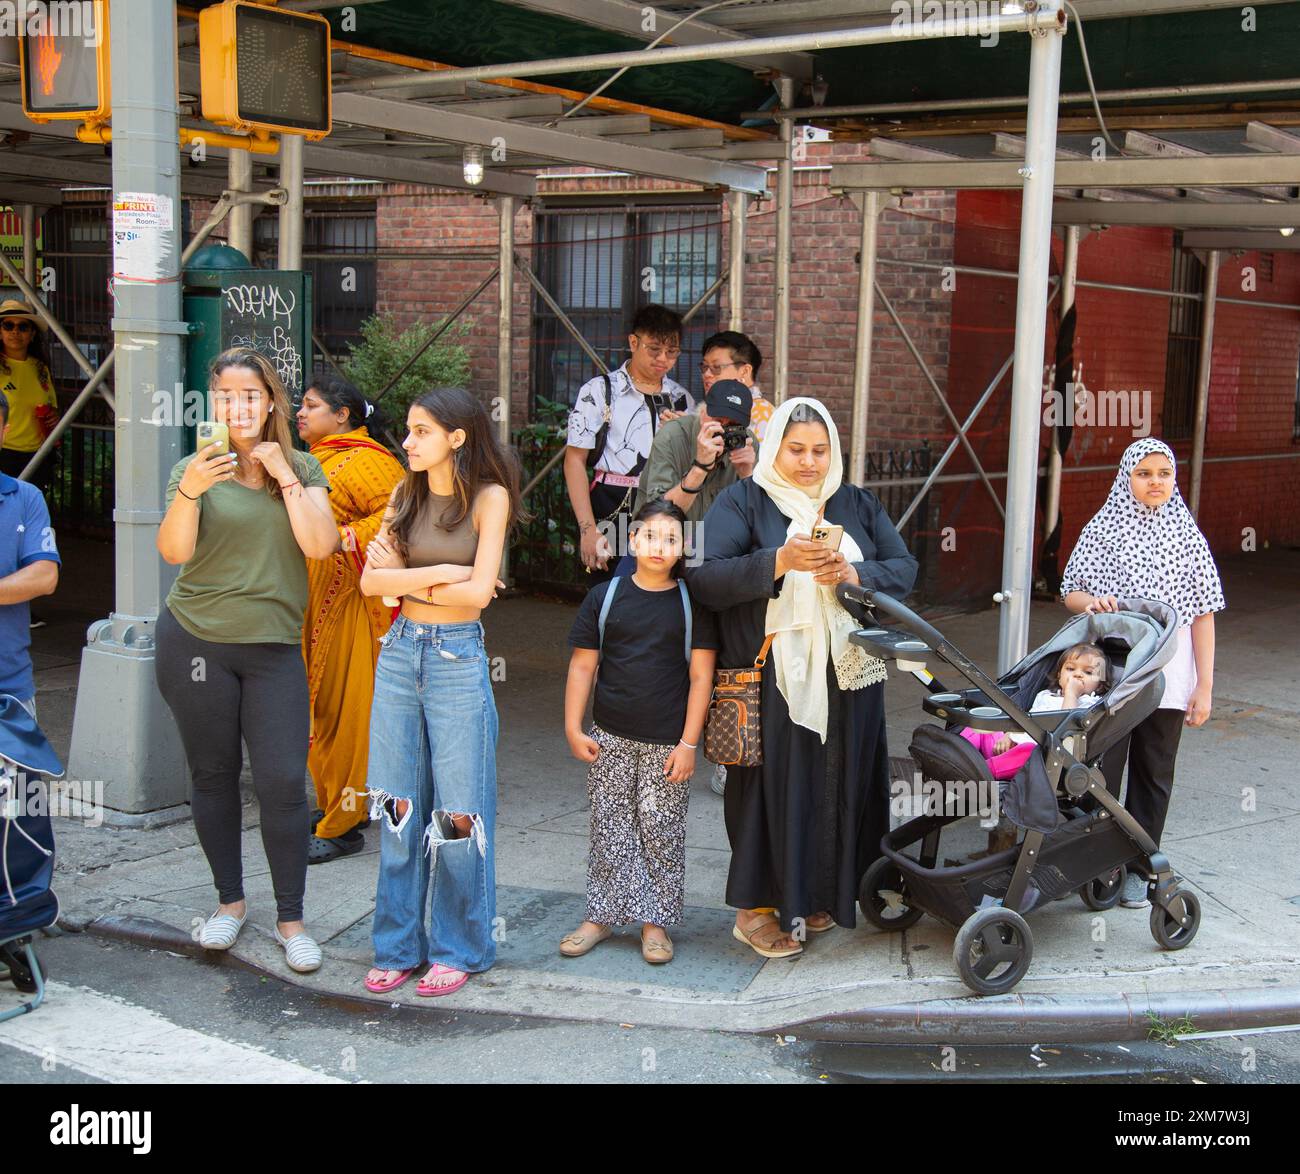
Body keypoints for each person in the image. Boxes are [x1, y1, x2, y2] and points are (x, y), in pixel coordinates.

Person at [685, 397, 917, 958]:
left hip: (850, 672)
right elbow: (705, 579)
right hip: (774, 680)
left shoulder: (856, 503)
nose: (809, 462)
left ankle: (816, 895)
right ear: (774, 449)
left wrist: (856, 572)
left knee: (839, 781)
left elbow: (905, 569)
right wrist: (779, 562)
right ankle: (755, 910)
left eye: (819, 450)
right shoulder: (744, 501)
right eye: (796, 450)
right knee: (771, 790)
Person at [155, 348, 339, 974]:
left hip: (273, 650)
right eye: (227, 396)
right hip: (195, 641)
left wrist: (282, 474)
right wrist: (190, 490)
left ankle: (292, 921)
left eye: (250, 395)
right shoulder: (195, 467)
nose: (238, 407)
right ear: (215, 402)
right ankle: (229, 905)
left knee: (285, 781)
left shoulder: (306, 466)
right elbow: (175, 551)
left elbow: (321, 546)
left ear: (270, 403)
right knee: (213, 776)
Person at [359, 387, 522, 998]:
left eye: (420, 431)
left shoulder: (490, 497)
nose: (407, 441)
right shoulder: (405, 493)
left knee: (458, 814)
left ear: (456, 436)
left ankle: (459, 947)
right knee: (398, 807)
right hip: (400, 651)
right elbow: (373, 584)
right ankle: (397, 946)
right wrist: (437, 574)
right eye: (408, 430)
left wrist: (411, 581)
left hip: (457, 658)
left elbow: (479, 596)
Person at [1061, 438, 1224, 909]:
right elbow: (1071, 591)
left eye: (1164, 474)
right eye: (1144, 474)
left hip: (1171, 675)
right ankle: (1100, 866)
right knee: (1103, 770)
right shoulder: (1104, 529)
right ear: (1125, 478)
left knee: (1155, 772)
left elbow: (1205, 615)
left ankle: (1139, 867)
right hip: (1114, 670)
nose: (1155, 483)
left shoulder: (1187, 536)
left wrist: (1204, 686)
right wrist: (1092, 603)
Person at [561, 499, 717, 965]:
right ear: (633, 540)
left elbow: (701, 678)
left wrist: (690, 744)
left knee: (661, 831)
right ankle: (602, 915)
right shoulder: (605, 597)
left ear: (684, 548)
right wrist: (573, 727)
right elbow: (583, 666)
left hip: (668, 744)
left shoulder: (693, 604)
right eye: (650, 536)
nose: (658, 546)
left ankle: (655, 923)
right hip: (609, 734)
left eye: (671, 539)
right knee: (609, 827)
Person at [296, 373, 404, 865]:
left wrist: (342, 538)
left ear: (343, 416)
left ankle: (344, 821)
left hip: (354, 604)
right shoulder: (317, 459)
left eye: (312, 405)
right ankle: (332, 803)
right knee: (322, 708)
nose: (301, 412)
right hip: (316, 598)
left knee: (347, 711)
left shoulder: (366, 460)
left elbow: (398, 511)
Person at [563, 304, 693, 581]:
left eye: (672, 352)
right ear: (634, 342)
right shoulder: (599, 390)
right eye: (654, 349)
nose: (663, 359)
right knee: (606, 589)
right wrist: (588, 529)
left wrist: (679, 435)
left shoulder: (681, 399)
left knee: (664, 588)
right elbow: (574, 460)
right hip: (611, 501)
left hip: (666, 501)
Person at [959, 642, 1109, 781]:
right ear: (1059, 675)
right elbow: (1026, 720)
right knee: (980, 725)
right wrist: (1009, 735)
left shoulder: (1089, 704)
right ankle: (957, 756)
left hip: (1038, 757)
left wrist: (1072, 693)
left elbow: (1067, 725)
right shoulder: (1045, 695)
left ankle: (978, 772)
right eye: (1070, 669)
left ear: (1100, 685)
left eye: (1088, 672)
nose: (1077, 675)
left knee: (1030, 752)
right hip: (1008, 744)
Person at [0, 390, 59, 714]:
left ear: (5, 431)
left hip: (10, 690)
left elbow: (45, 577)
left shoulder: (26, 497)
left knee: (19, 768)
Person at [636, 378, 757, 524]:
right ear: (703, 413)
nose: (724, 430)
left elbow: (758, 520)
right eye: (718, 421)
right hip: (666, 540)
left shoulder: (747, 443)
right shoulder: (672, 436)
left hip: (719, 541)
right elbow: (658, 517)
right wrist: (700, 468)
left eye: (734, 425)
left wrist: (746, 474)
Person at [0, 299, 59, 494]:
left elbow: (51, 404)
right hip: (4, 453)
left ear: (32, 334)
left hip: (37, 454)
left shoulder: (40, 368)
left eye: (23, 326)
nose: (15, 332)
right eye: (8, 325)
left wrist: (53, 416)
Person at [699, 330, 773, 443]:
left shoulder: (761, 413)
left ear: (744, 371)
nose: (707, 374)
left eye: (716, 367)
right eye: (704, 367)